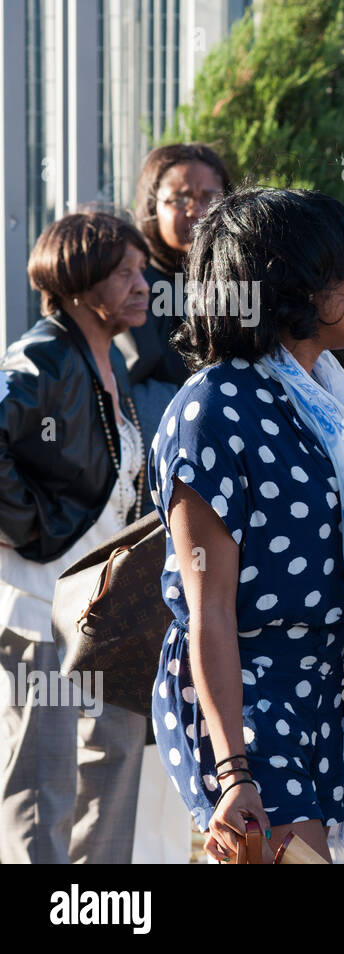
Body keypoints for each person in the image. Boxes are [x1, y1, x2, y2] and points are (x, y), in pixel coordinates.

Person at [151, 187, 344, 863]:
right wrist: (234, 773)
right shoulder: (212, 412)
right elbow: (209, 612)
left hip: (321, 692)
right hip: (248, 700)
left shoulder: (320, 397)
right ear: (296, 289)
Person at [0, 211, 152, 864]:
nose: (143, 285)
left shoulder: (112, 360)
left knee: (114, 767)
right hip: (41, 606)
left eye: (143, 270)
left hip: (105, 611)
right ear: (79, 283)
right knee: (44, 788)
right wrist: (30, 527)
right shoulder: (44, 355)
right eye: (124, 273)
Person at [126, 142, 233, 441]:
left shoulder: (239, 277)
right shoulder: (132, 282)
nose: (195, 210)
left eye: (209, 197)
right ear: (152, 207)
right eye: (180, 198)